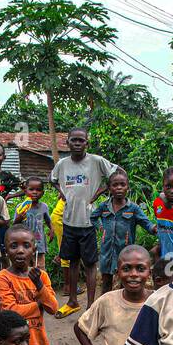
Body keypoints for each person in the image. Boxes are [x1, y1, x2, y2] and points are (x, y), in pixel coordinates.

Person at [50, 128, 118, 316]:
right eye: (74, 140)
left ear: (87, 143)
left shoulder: (96, 161)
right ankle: (72, 302)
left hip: (88, 222)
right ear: (67, 143)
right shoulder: (62, 164)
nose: (77, 143)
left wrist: (99, 193)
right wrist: (62, 193)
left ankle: (90, 306)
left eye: (81, 140)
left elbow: (117, 174)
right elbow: (52, 179)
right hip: (69, 221)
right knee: (72, 261)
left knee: (89, 264)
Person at [90, 170, 155, 297]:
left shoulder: (133, 208)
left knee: (123, 283)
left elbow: (146, 223)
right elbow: (93, 217)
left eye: (122, 184)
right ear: (109, 188)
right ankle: (106, 304)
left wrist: (154, 229)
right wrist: (100, 228)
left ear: (127, 187)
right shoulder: (104, 206)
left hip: (125, 253)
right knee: (106, 282)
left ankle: (122, 304)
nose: (119, 188)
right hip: (107, 252)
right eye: (115, 185)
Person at [0, 141, 22, 252]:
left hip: (1, 217)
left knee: (2, 249)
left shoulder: (7, 176)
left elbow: (26, 188)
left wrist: (10, 196)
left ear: (4, 157)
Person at [13, 177, 51, 274]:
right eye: (31, 189)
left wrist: (52, 230)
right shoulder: (20, 207)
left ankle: (42, 282)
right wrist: (19, 218)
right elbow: (14, 225)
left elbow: (48, 220)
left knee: (40, 266)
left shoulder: (44, 207)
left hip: (39, 242)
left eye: (38, 190)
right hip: (24, 243)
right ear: (25, 191)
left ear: (43, 193)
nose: (35, 192)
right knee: (25, 266)